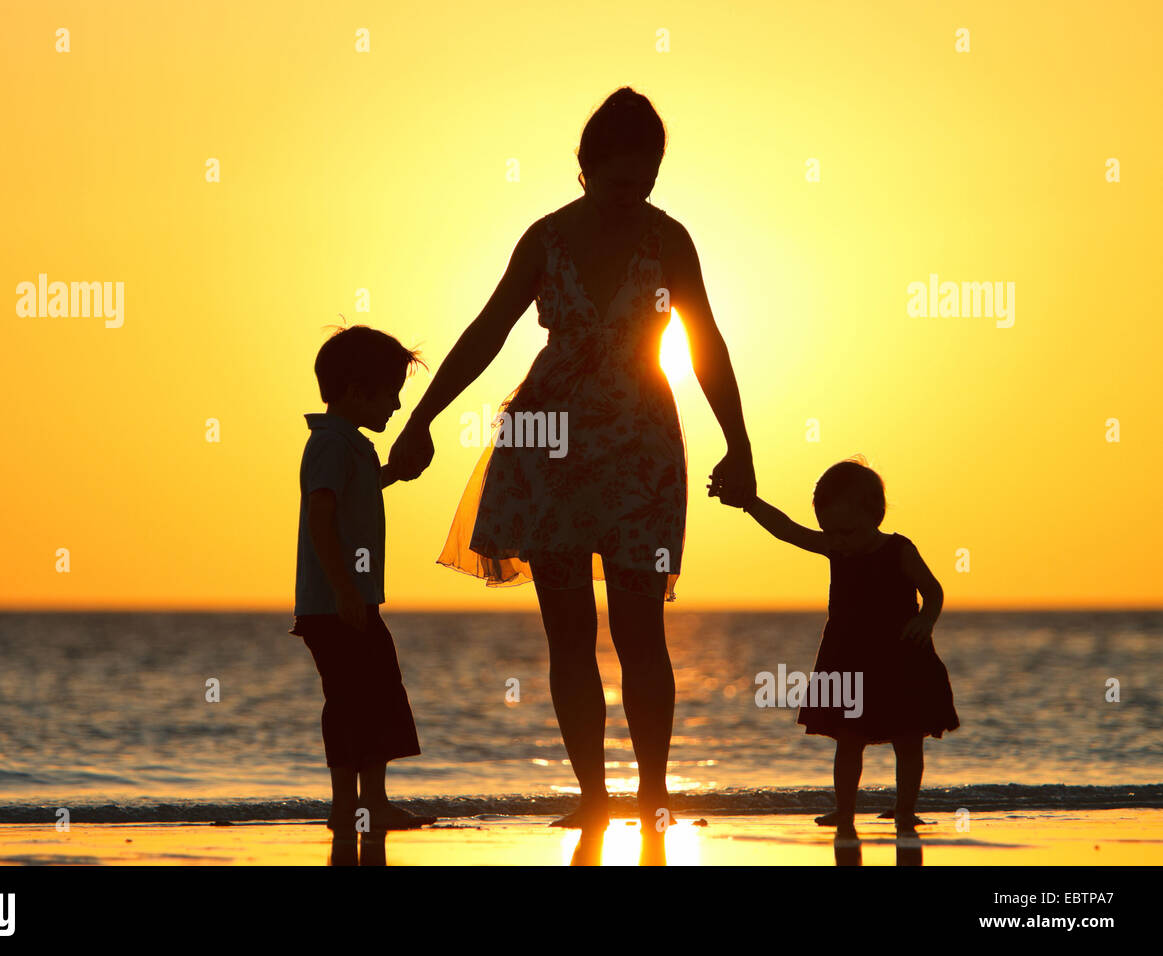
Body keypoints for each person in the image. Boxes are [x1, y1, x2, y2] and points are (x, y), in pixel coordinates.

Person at [388, 88, 756, 831]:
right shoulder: (545, 238)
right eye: (621, 179)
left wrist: (739, 446)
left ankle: (652, 798)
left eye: (647, 178)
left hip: (639, 446)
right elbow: (488, 329)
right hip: (545, 445)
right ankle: (593, 798)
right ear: (584, 170)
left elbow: (707, 341)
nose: (635, 194)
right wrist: (422, 419)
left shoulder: (670, 240)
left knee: (640, 630)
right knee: (567, 635)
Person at [722, 457, 960, 837]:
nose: (840, 541)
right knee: (848, 739)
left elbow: (932, 590)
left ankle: (905, 810)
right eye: (831, 532)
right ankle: (844, 809)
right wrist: (749, 503)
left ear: (874, 516)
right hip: (847, 655)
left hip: (900, 656)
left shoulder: (899, 550)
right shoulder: (835, 547)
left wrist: (925, 619)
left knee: (908, 738)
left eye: (847, 531)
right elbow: (786, 530)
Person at [289, 325, 435, 834]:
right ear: (356, 391)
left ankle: (366, 805)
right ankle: (351, 806)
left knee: (371, 697)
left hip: (347, 602)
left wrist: (394, 472)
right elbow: (321, 515)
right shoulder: (331, 445)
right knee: (358, 699)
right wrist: (345, 589)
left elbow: (353, 495)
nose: (395, 407)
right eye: (390, 394)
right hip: (337, 604)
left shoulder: (349, 446)